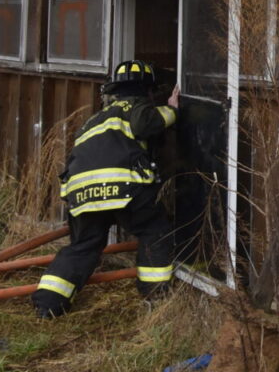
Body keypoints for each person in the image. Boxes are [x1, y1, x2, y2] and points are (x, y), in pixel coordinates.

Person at [33, 60, 180, 318]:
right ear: (148, 90)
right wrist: (172, 111)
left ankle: (48, 305)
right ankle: (156, 298)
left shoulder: (93, 121)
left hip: (81, 193)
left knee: (84, 245)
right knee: (153, 231)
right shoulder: (137, 106)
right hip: (125, 188)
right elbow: (147, 124)